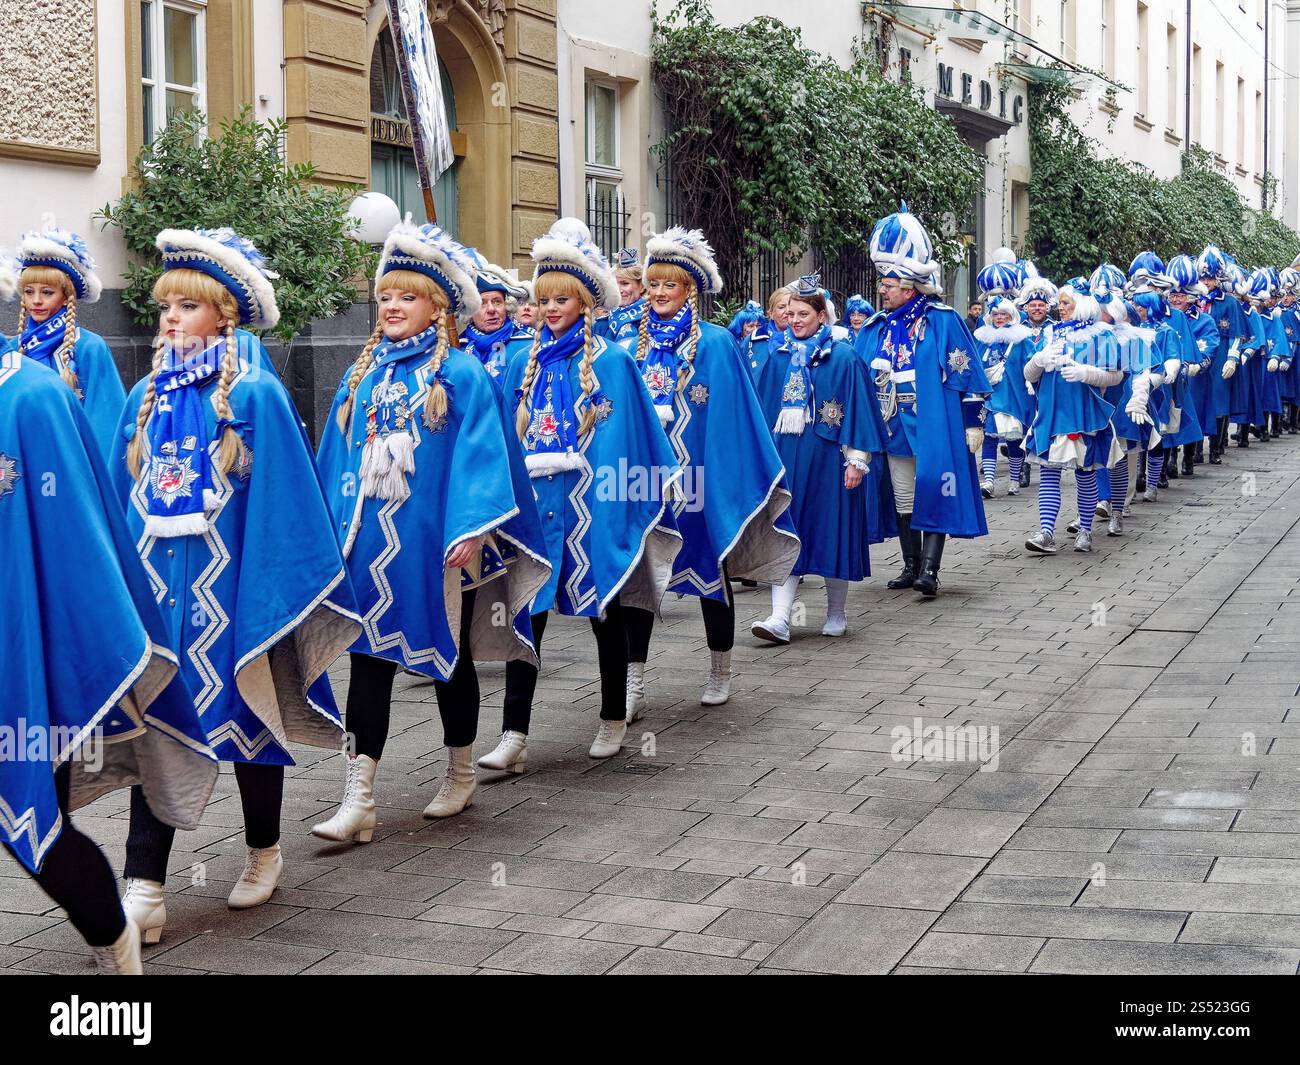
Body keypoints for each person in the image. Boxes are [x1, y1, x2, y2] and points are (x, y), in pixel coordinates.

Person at [112, 227, 361, 941]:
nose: (170, 319)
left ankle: (263, 849)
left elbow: (288, 506)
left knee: (250, 720)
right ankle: (146, 886)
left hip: (235, 601)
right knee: (157, 731)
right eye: (166, 307)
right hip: (163, 604)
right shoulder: (146, 396)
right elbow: (124, 497)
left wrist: (273, 601)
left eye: (187, 307)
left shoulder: (256, 395)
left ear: (224, 314)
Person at [313, 222, 550, 834]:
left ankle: (460, 772)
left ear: (439, 306)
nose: (391, 306)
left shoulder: (464, 375)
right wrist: (327, 526)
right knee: (367, 660)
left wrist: (471, 528)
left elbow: (482, 456)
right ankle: (358, 798)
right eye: (385, 296)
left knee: (451, 660)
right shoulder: (362, 375)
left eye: (407, 297)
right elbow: (338, 456)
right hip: (369, 549)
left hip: (440, 548)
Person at [1, 348, 218, 973]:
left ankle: (113, 939)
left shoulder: (32, 396)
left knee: (34, 823)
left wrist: (69, 660)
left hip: (26, 647)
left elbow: (79, 540)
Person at [498, 218, 682, 761]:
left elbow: (629, 437)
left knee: (605, 613)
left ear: (584, 301)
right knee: (524, 618)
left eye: (562, 298)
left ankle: (611, 717)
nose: (550, 308)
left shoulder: (613, 361)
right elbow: (504, 438)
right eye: (543, 298)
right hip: (535, 510)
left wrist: (614, 499)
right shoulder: (517, 362)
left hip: (589, 506)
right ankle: (514, 735)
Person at [622, 227, 798, 699]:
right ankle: (633, 683)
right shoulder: (628, 341)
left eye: (669, 285)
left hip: (696, 479)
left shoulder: (717, 344)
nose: (659, 293)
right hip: (643, 481)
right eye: (653, 284)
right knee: (639, 580)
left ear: (690, 290)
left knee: (709, 573)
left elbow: (733, 418)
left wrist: (721, 483)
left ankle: (720, 670)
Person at [861, 203, 990, 597]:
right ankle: (910, 564)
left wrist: (972, 421)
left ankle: (930, 571)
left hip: (935, 420)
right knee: (904, 491)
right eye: (882, 282)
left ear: (910, 286)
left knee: (935, 486)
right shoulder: (876, 325)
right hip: (892, 423)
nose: (881, 289)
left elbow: (967, 373)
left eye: (889, 283)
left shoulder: (942, 319)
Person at [751, 274, 883, 641]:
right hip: (788, 459)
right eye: (790, 313)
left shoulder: (843, 357)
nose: (794, 320)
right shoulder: (777, 357)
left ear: (821, 316)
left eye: (803, 314)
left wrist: (857, 460)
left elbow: (859, 408)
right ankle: (780, 618)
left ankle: (836, 611)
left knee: (831, 530)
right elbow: (761, 411)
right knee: (786, 529)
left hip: (829, 459)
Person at [4, 227, 125, 456]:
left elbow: (106, 422)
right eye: (29, 292)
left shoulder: (89, 347)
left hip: (73, 462)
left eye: (47, 292)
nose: (36, 301)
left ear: (66, 296)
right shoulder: (12, 350)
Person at [1022, 284, 1122, 553]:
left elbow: (1116, 375)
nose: (1061, 307)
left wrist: (1086, 373)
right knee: (1048, 473)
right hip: (1052, 413)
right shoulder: (1050, 332)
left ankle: (1085, 530)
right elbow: (1029, 375)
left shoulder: (1101, 333)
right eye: (1061, 303)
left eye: (1066, 303)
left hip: (1084, 413)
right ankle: (1045, 533)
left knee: (1085, 473)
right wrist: (1039, 360)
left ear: (1083, 304)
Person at [974, 296, 1033, 498]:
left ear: (1012, 316)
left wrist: (1029, 381)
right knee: (989, 437)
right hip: (990, 395)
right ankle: (989, 481)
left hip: (1014, 395)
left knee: (1014, 440)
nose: (999, 318)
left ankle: (1014, 479)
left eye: (1004, 314)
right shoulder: (982, 338)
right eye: (996, 314)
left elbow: (1031, 363)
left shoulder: (1021, 339)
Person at [460, 254, 534, 380]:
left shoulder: (528, 344)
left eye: (497, 301)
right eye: (482, 303)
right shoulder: (458, 348)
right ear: (471, 312)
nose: (491, 309)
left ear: (507, 306)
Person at [598, 247, 647, 347]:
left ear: (641, 287)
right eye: (616, 284)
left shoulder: (652, 320)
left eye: (625, 283)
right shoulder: (603, 323)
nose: (619, 290)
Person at [743, 284, 794, 378]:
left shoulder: (803, 340)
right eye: (781, 307)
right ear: (771, 314)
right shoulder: (752, 340)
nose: (787, 311)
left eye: (791, 307)